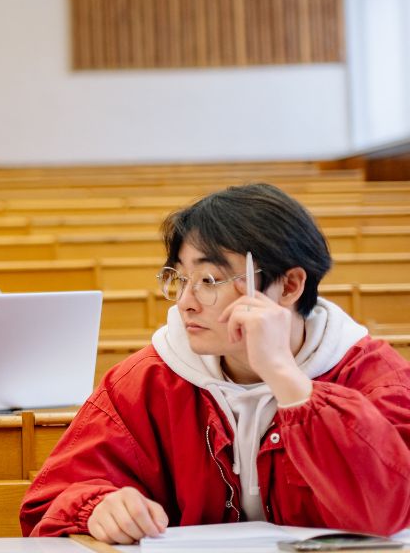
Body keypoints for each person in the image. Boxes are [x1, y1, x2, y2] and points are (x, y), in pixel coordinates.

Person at [21, 183, 410, 542]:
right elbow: (50, 501)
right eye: (180, 278)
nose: (185, 301)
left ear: (289, 286)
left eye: (208, 281)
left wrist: (286, 379)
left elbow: (387, 512)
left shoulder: (375, 377)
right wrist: (97, 507)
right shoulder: (147, 379)